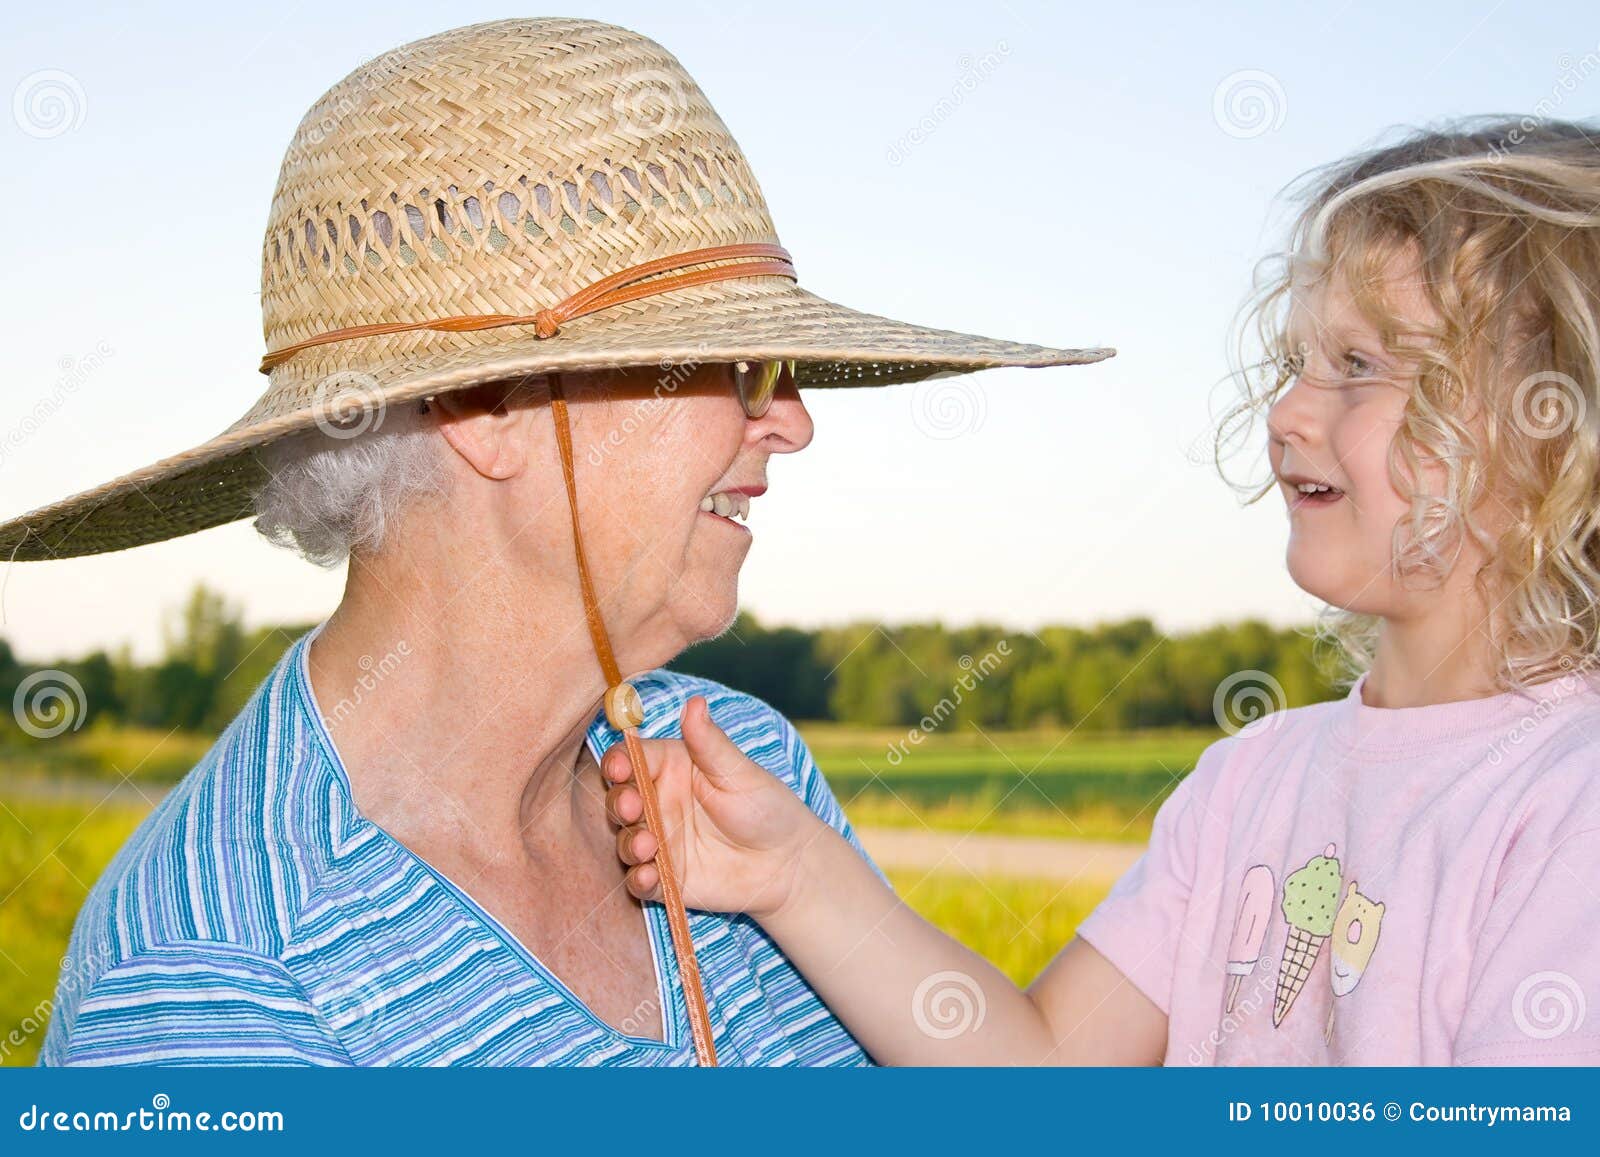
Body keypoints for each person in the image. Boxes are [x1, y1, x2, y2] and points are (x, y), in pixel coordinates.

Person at [4, 18, 1108, 1065]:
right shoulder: (218, 978)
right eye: (738, 367)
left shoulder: (738, 766)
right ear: (489, 412)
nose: (792, 420)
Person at [605, 118, 1600, 1065]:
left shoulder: (1569, 797)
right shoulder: (1248, 779)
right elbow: (1042, 1071)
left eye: (1358, 365)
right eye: (1294, 361)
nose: (1289, 410)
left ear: (1550, 432)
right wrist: (793, 871)